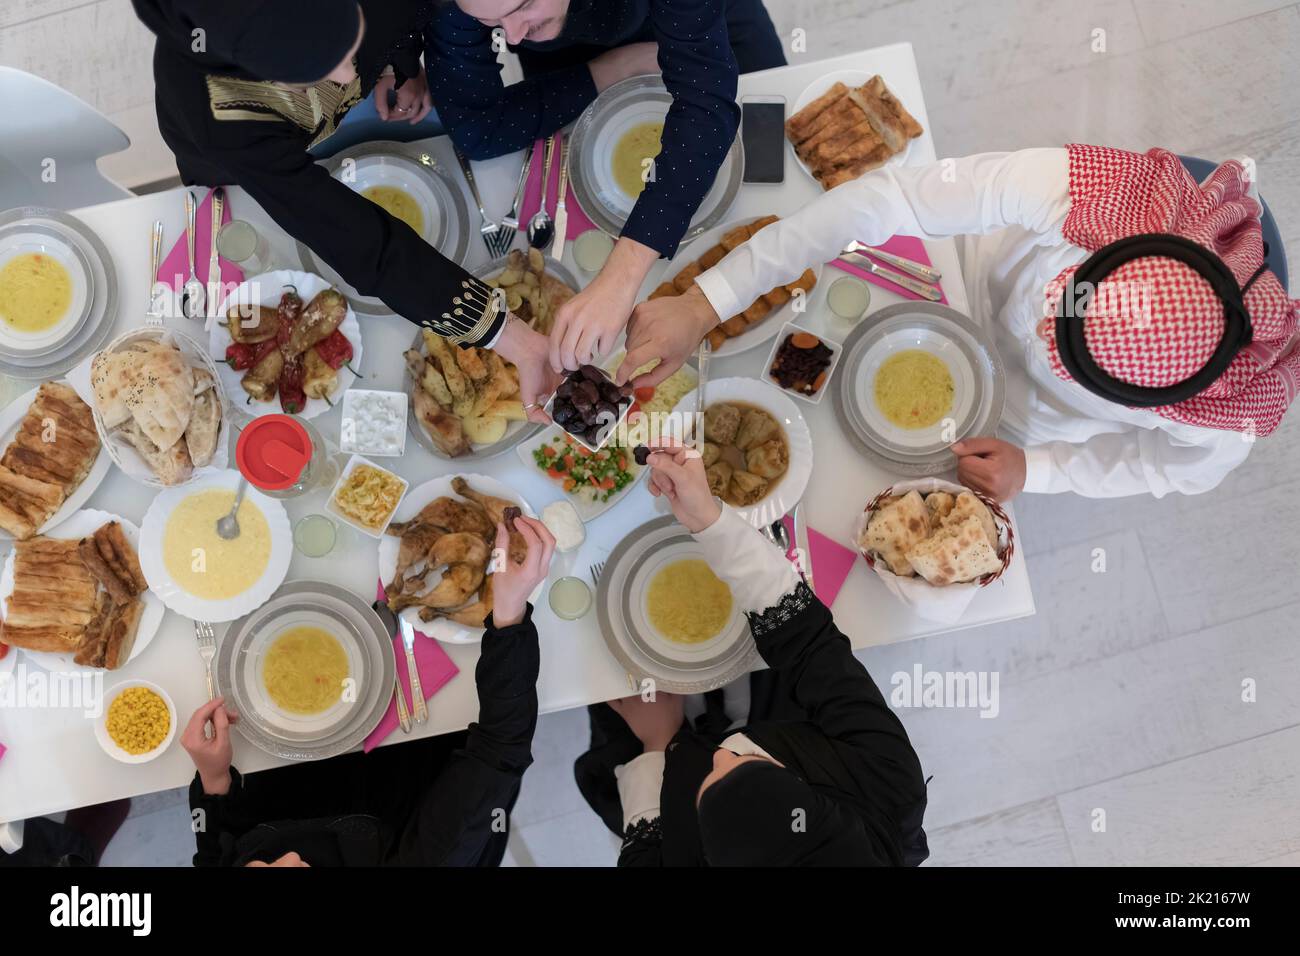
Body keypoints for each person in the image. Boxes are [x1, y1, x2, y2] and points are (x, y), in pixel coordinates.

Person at [624, 146, 1300, 499]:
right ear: (1115, 251)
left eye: (1063, 350)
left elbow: (1158, 469)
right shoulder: (1097, 193)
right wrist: (706, 301)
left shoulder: (1224, 417)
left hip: (1020, 425)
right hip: (962, 280)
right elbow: (886, 200)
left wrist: (1038, 471)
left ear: (1156, 399)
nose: (1044, 329)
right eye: (1061, 310)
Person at [131, 0, 557, 416]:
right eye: (312, 75)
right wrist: (511, 339)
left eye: (352, 43)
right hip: (241, 169)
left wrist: (397, 62)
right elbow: (364, 245)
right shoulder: (220, 121)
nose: (348, 75)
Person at [574, 441, 929, 866]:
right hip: (797, 724)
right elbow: (809, 643)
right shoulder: (889, 780)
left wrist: (657, 744)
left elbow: (647, 846)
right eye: (750, 765)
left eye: (713, 779)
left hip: (664, 771)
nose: (720, 753)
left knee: (607, 672)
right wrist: (710, 521)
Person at [425, 0, 786, 372]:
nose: (511, 35)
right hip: (575, 64)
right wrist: (614, 69)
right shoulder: (476, 9)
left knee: (775, 170)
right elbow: (477, 130)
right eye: (490, 22)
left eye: (524, 5)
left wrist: (621, 275)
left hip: (706, 30)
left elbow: (706, 107)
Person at [181, 516, 556, 866]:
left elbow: (214, 847)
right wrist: (509, 614)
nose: (281, 858)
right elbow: (501, 748)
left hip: (282, 766)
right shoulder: (437, 856)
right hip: (400, 772)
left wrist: (214, 782)